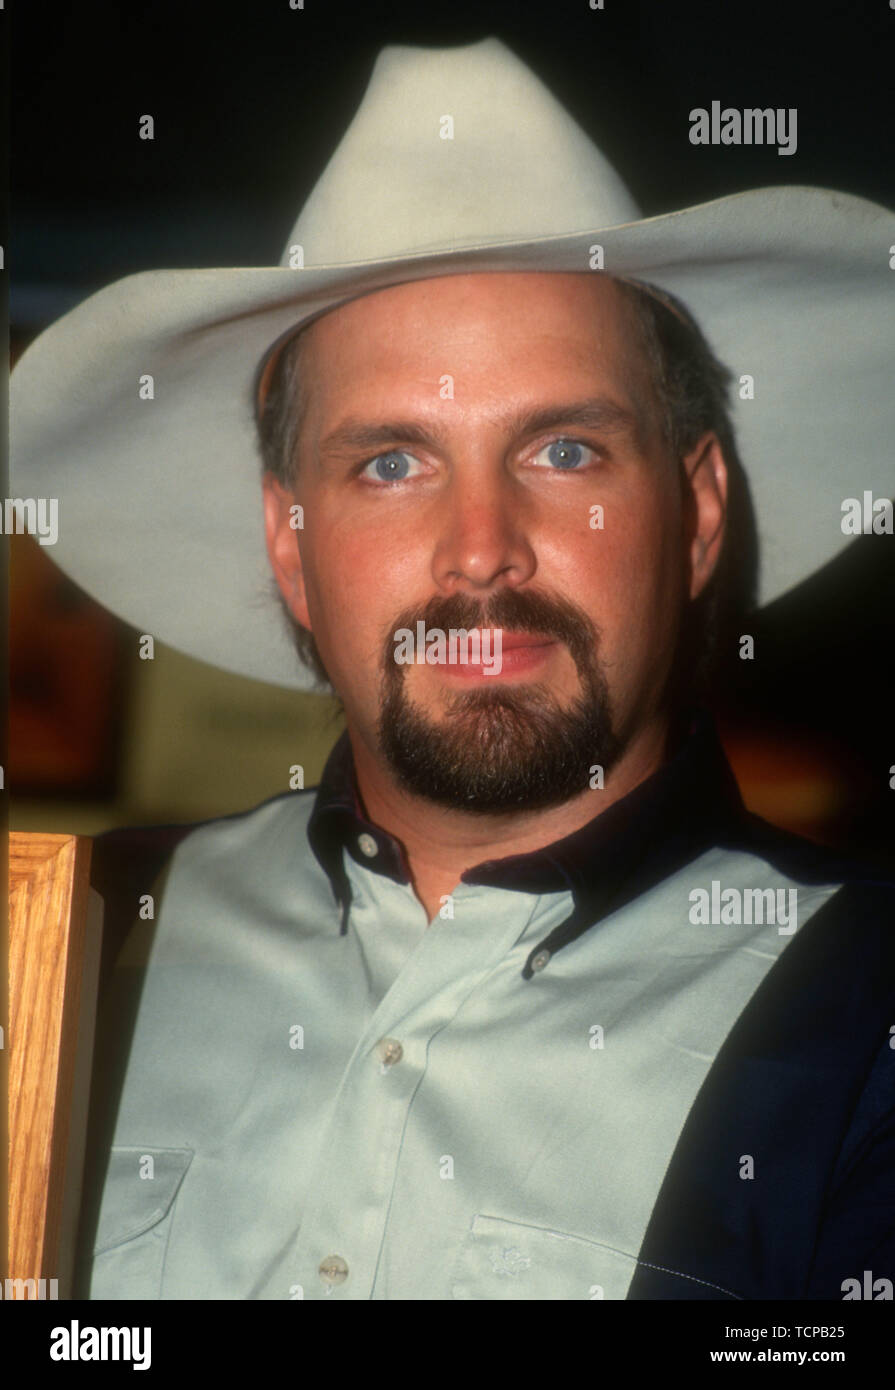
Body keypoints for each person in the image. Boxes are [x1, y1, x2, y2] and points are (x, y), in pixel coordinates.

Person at [11, 38, 895, 1301]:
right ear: (291, 543)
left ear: (698, 513)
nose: (482, 553)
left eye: (566, 451)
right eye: (390, 464)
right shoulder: (74, 940)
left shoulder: (866, 1021)